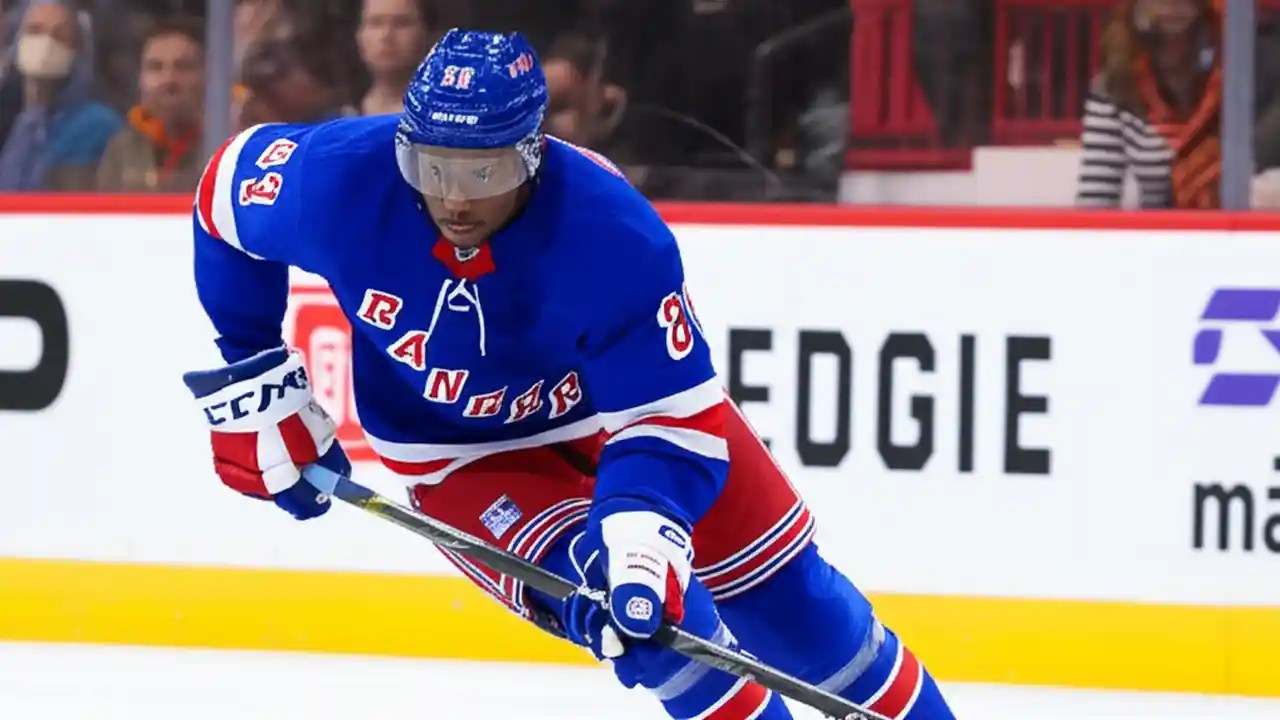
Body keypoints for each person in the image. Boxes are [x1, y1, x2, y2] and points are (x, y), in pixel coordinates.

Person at [181, 30, 957, 720]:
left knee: (797, 612)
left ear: (530, 153)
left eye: (481, 172)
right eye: (430, 166)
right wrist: (255, 366)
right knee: (658, 643)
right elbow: (221, 198)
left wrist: (644, 542)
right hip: (460, 459)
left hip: (618, 420)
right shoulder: (338, 179)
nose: (452, 198)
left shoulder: (611, 234)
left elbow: (667, 423)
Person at [0, 0, 120, 191]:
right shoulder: (16, 122)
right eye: (34, 30)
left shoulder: (98, 124)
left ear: (77, 51)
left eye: (60, 35)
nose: (45, 43)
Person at [96, 18, 205, 192]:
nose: (169, 79)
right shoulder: (121, 150)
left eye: (183, 67)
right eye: (155, 67)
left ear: (206, 76)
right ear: (140, 79)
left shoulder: (226, 145)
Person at [355, 0, 433, 116]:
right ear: (359, 35)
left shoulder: (449, 116)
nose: (386, 35)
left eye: (401, 23)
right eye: (375, 23)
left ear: (425, 34)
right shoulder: (337, 120)